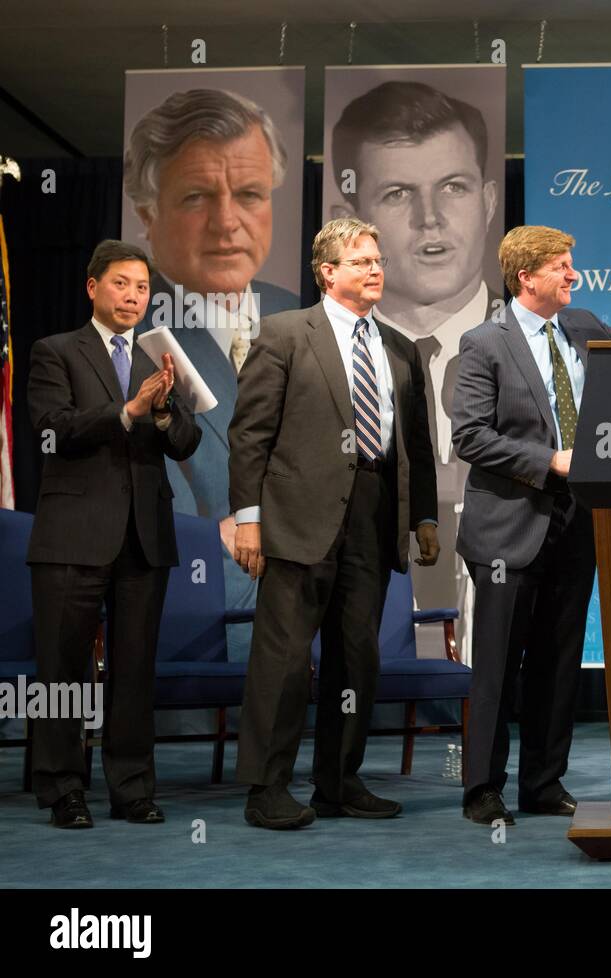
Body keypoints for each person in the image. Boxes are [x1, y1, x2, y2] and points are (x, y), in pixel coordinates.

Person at [228, 217, 439, 829]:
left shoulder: (401, 347)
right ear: (327, 272)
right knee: (285, 660)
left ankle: (339, 782)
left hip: (373, 520)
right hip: (296, 521)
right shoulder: (285, 334)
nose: (376, 270)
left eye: (378, 260)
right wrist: (248, 520)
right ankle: (265, 788)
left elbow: (417, 446)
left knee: (358, 657)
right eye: (361, 262)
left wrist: (422, 515)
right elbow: (250, 436)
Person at [25, 240, 200, 828]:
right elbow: (53, 430)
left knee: (134, 670)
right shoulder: (54, 352)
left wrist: (165, 411)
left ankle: (131, 788)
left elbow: (187, 443)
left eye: (143, 287)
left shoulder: (161, 360)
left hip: (144, 536)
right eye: (122, 284)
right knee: (62, 669)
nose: (133, 296)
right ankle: (63, 789)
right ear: (93, 287)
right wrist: (128, 411)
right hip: (73, 535)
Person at [453, 225, 611, 826]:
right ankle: (482, 789)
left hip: (577, 523)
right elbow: (470, 435)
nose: (574, 275)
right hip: (509, 527)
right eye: (562, 267)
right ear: (526, 278)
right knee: (498, 664)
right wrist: (548, 461)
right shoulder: (483, 343)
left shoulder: (588, 328)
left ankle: (544, 784)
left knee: (559, 661)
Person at [330, 79, 503, 660]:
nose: (431, 220)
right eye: (399, 193)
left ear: (488, 200)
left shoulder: (525, 348)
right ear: (354, 219)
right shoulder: (325, 347)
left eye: (452, 187)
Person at [124, 88, 300, 649]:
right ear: (147, 213)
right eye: (198, 196)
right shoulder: (127, 339)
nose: (228, 223)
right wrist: (215, 540)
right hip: (205, 614)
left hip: (306, 599)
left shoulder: (298, 315)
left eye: (249, 194)